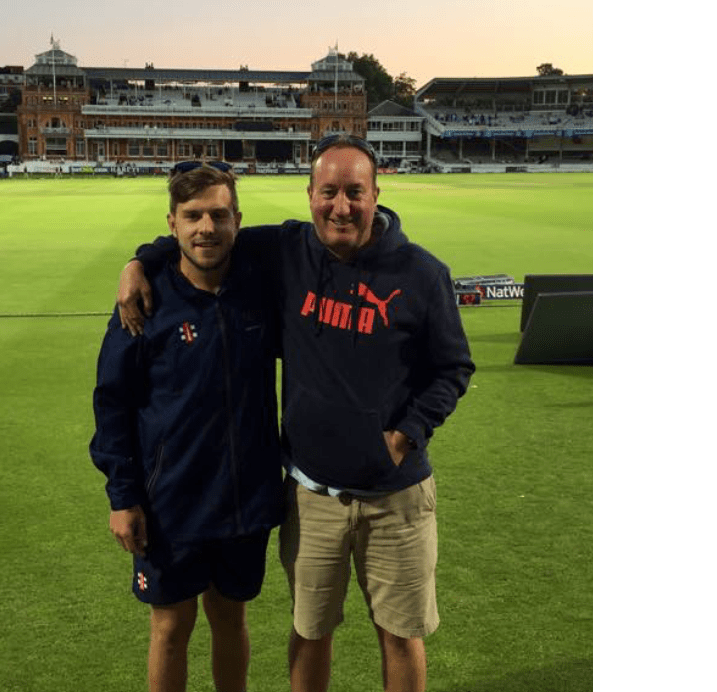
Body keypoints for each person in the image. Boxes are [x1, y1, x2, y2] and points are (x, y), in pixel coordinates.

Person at [117, 136, 475, 692]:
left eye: (354, 192)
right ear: (310, 196)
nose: (341, 206)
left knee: (400, 636)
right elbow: (206, 234)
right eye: (328, 191)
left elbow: (453, 367)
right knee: (310, 631)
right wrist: (140, 261)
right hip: (311, 496)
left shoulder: (422, 273)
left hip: (397, 496)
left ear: (375, 195)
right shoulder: (287, 249)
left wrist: (407, 434)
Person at [90, 162, 283, 692]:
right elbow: (112, 404)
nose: (207, 228)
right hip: (169, 504)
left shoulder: (259, 286)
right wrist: (122, 497)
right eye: (193, 216)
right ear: (172, 223)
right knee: (171, 628)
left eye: (219, 215)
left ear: (237, 220)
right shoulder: (144, 302)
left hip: (245, 500)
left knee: (231, 619)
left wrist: (140, 256)